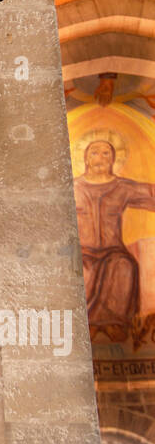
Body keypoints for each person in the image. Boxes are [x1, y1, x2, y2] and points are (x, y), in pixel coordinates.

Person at [73, 139, 155, 340]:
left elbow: (150, 194)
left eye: (106, 153)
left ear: (113, 160)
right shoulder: (73, 187)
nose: (100, 158)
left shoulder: (121, 187)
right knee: (78, 267)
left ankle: (113, 322)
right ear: (86, 159)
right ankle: (87, 324)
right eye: (94, 153)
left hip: (113, 250)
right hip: (82, 250)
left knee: (124, 266)